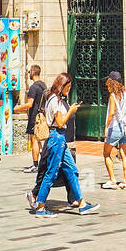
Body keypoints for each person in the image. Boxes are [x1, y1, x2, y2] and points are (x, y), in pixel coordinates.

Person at [29, 74, 98, 218]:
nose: (69, 89)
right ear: (62, 85)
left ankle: (82, 204)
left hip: (61, 139)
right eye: (68, 86)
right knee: (51, 173)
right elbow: (60, 122)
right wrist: (71, 111)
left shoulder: (56, 99)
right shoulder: (55, 100)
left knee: (72, 169)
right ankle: (40, 207)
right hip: (56, 138)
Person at [102, 72, 126, 190]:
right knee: (124, 154)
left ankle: (112, 180)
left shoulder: (112, 96)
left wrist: (106, 127)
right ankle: (125, 181)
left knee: (106, 153)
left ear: (111, 82)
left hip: (114, 126)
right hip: (125, 126)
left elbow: (111, 114)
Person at [17, 65, 47, 170]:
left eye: (29, 72)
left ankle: (35, 165)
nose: (28, 74)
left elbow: (30, 104)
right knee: (39, 140)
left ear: (33, 72)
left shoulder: (33, 87)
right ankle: (44, 161)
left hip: (34, 117)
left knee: (34, 139)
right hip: (42, 116)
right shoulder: (44, 85)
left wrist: (17, 108)